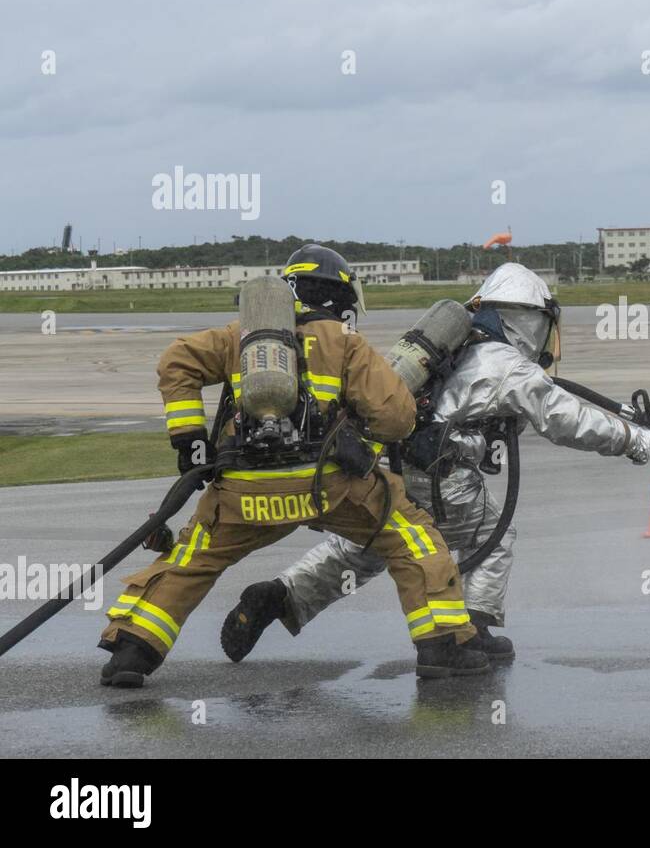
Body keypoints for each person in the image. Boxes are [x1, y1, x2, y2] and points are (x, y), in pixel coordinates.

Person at [220, 262, 650, 662]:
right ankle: (473, 629)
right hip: (441, 476)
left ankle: (280, 595)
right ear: (531, 318)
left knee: (369, 546)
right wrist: (633, 440)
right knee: (493, 531)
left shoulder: (450, 344)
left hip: (391, 461)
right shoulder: (505, 363)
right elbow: (565, 418)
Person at [98, 244, 489, 687]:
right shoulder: (344, 343)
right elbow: (395, 417)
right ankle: (443, 647)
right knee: (413, 539)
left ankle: (131, 651)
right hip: (327, 487)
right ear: (340, 298)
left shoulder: (236, 336)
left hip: (244, 491)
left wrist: (189, 440)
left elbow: (176, 362)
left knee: (193, 558)